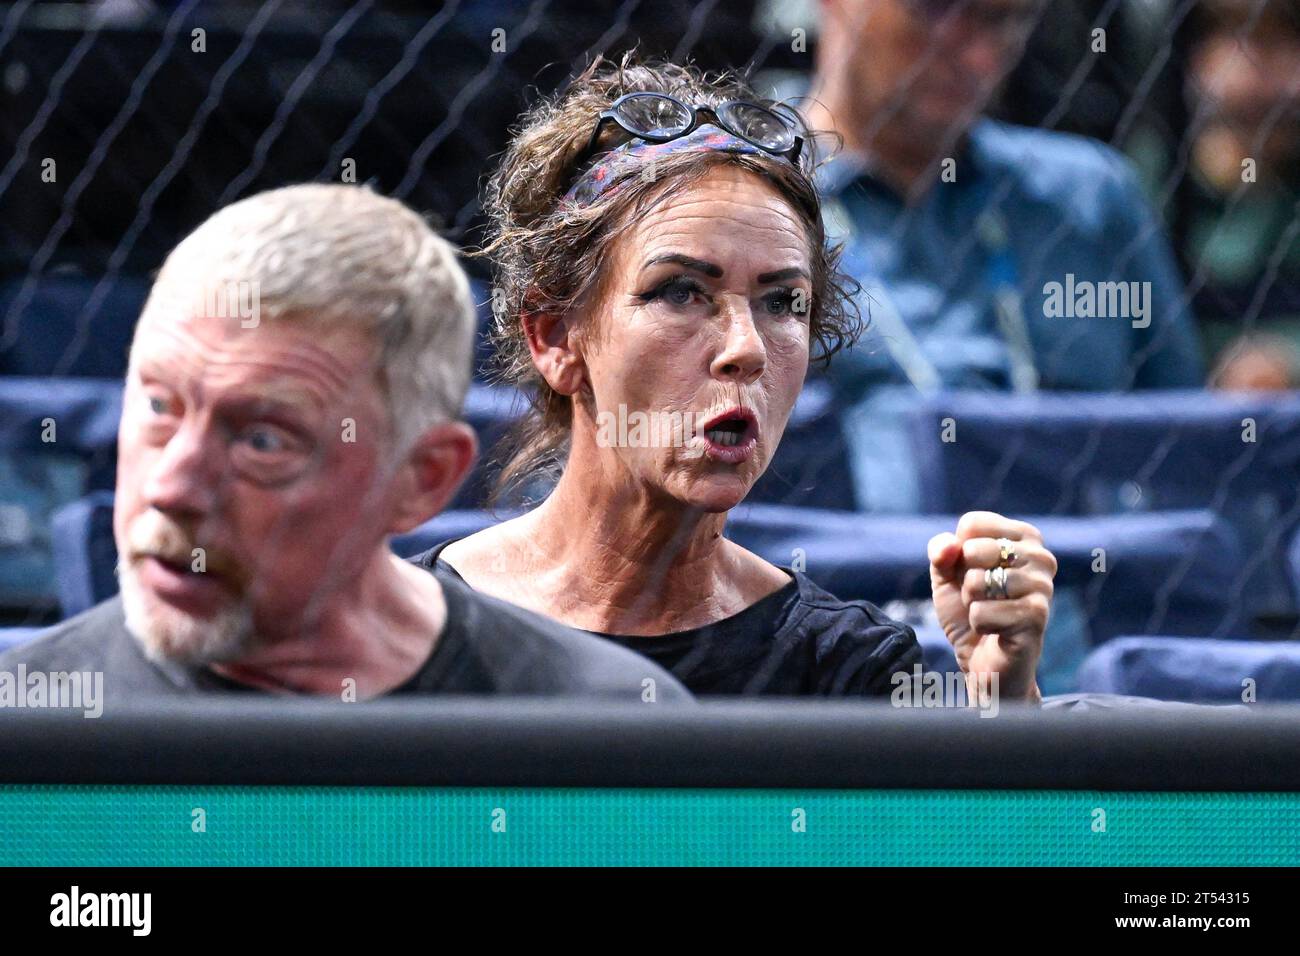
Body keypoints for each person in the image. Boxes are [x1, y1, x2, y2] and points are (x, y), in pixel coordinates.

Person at [413, 57, 1057, 703]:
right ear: (555, 336)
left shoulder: (843, 670)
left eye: (782, 303)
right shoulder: (417, 635)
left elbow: (973, 810)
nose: (746, 350)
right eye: (682, 292)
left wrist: (1004, 703)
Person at [0, 184, 689, 706]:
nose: (171, 488)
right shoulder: (27, 725)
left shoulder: (599, 735)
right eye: (158, 406)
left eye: (263, 439)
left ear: (422, 479)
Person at [802, 0, 1205, 511]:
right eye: (934, 10)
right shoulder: (744, 199)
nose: (976, 55)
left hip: (1073, 573)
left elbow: (1188, 452)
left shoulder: (1088, 198)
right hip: (847, 582)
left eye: (1003, 20)